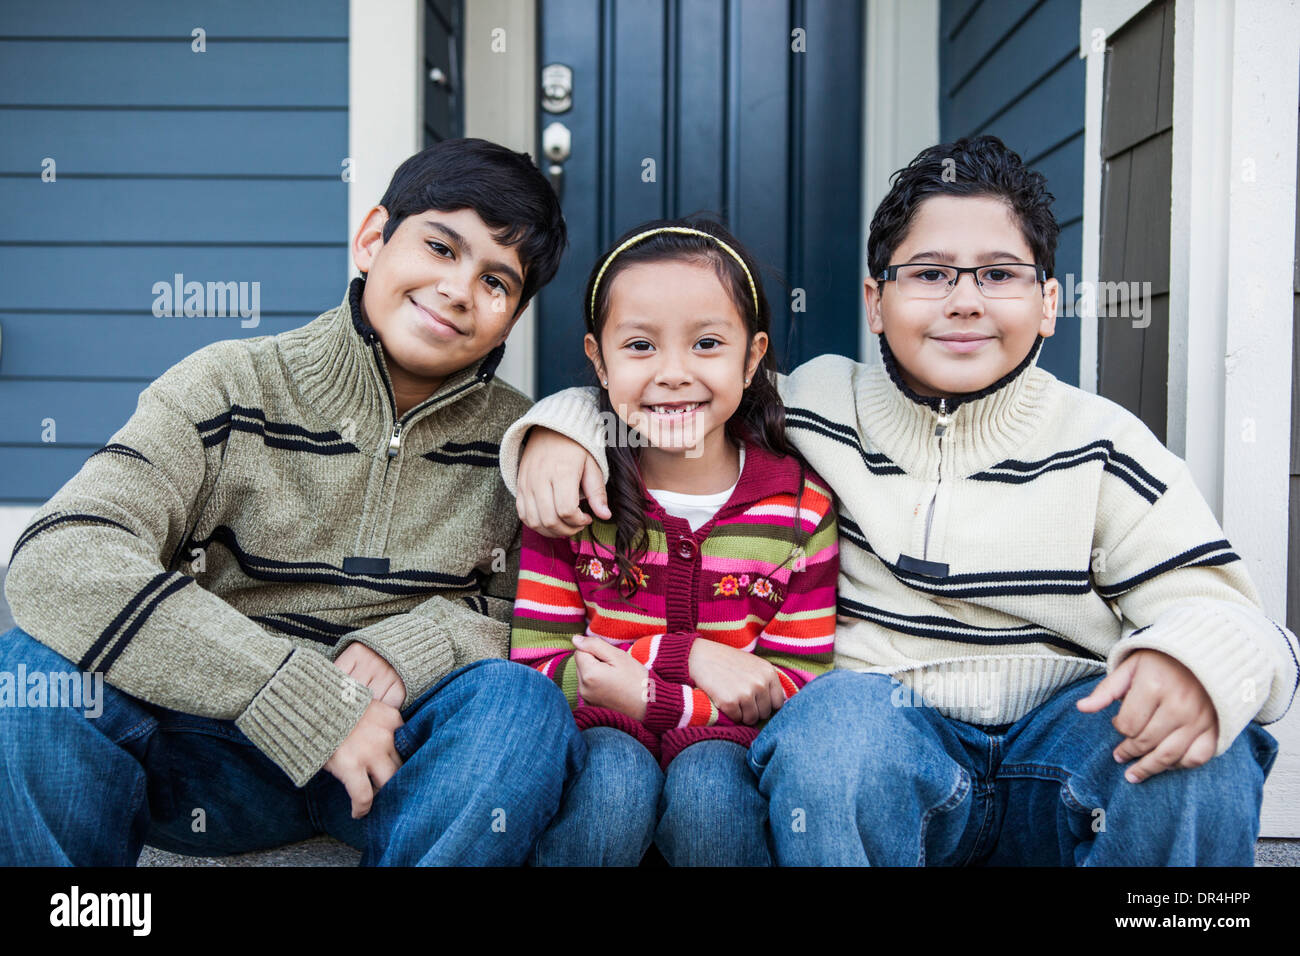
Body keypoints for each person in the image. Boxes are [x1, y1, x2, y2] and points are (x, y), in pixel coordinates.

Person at [498, 136, 1298, 866]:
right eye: (931, 274)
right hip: (885, 738)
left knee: (1204, 750)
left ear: (1049, 302)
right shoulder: (815, 405)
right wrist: (560, 427)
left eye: (998, 274)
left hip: (1066, 737)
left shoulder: (1106, 446)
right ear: (876, 302)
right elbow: (677, 393)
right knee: (837, 727)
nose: (964, 301)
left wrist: (1198, 661)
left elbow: (1231, 619)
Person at [1, 138, 584, 866]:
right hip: (212, 746)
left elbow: (541, 623)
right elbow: (62, 553)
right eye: (440, 247)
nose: (461, 289)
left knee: (521, 705)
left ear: (512, 317)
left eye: (498, 282)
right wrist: (296, 697)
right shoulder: (227, 386)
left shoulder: (518, 444)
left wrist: (420, 647)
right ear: (372, 239)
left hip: (402, 760)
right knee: (30, 674)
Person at [509, 219, 838, 865]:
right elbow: (539, 673)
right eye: (639, 346)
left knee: (709, 790)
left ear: (751, 358)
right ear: (598, 361)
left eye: (707, 343)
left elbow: (796, 685)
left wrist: (657, 698)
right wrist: (681, 656)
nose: (673, 373)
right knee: (615, 783)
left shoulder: (800, 509)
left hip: (730, 748)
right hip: (599, 740)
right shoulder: (574, 495)